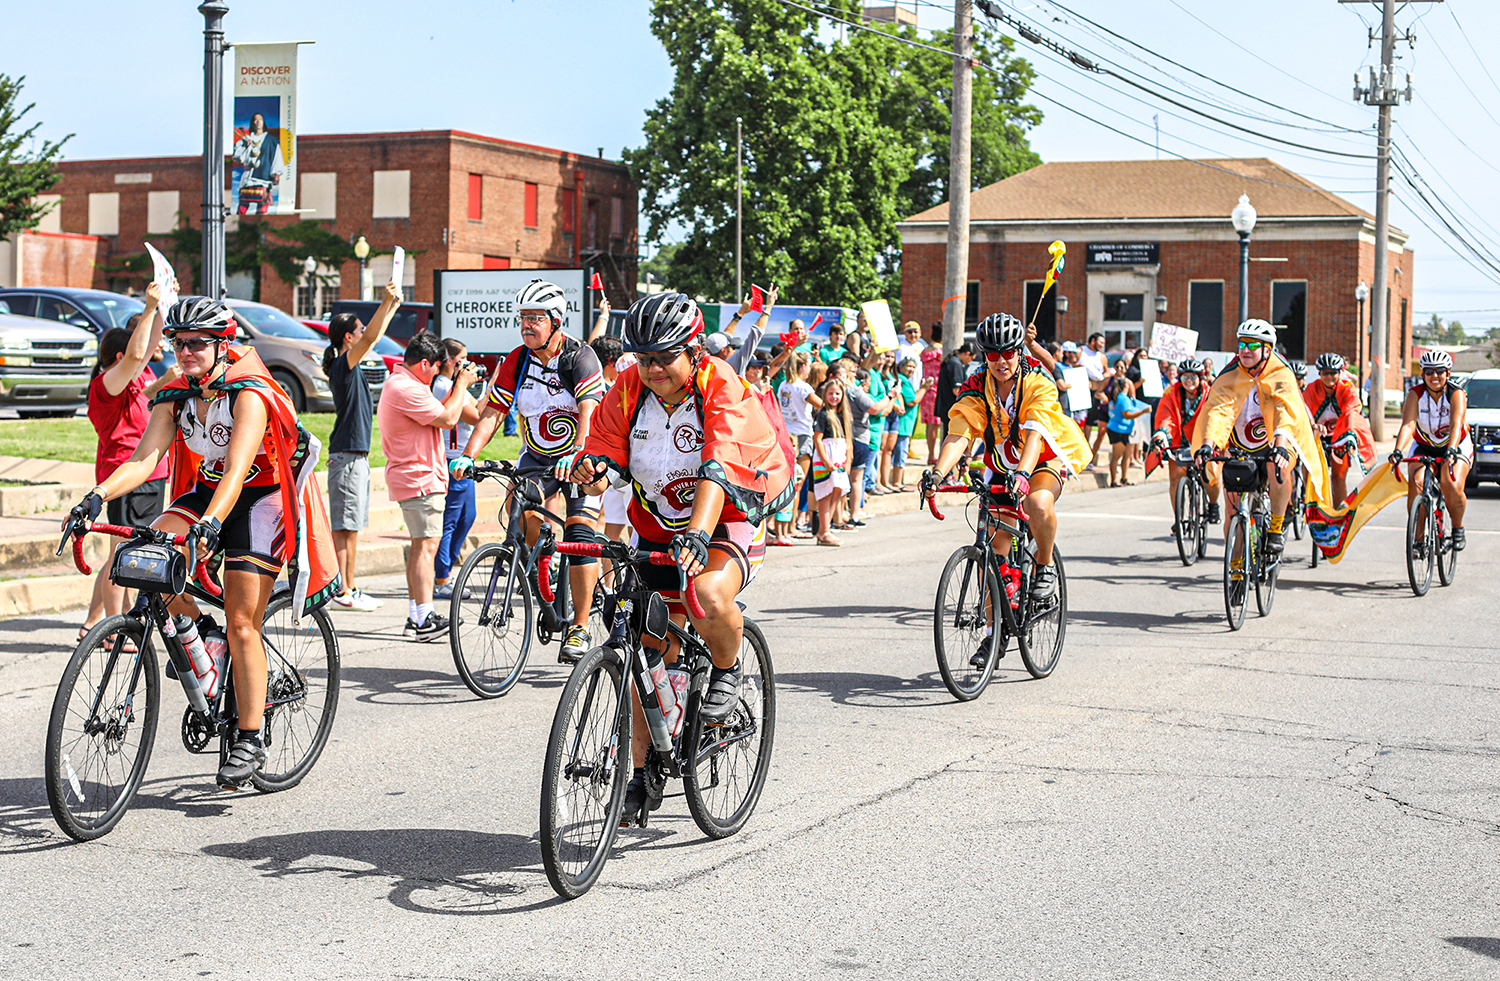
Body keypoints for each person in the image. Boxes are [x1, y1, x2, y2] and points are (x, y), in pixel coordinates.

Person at [67, 296, 339, 789]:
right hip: (208, 489)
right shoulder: (175, 393)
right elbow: (143, 459)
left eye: (196, 343)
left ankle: (250, 737)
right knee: (151, 563)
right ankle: (201, 638)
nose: (184, 352)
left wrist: (212, 524)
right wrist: (96, 497)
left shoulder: (248, 392)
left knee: (242, 622)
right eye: (177, 342)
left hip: (260, 499)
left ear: (222, 345)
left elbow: (238, 469)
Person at [570, 291, 793, 821]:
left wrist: (697, 533)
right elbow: (602, 442)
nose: (652, 369)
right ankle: (644, 772)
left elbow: (719, 462)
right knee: (645, 653)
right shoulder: (629, 386)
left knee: (706, 593)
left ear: (693, 351)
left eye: (663, 357)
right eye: (643, 358)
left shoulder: (723, 385)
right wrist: (592, 469)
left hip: (727, 519)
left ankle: (727, 667)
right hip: (657, 528)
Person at [452, 279, 606, 661]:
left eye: (535, 317)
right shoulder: (517, 360)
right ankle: (544, 563)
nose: (527, 325)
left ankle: (580, 627)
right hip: (537, 458)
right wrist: (468, 454)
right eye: (522, 317)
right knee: (518, 514)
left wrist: (580, 455)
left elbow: (588, 414)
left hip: (581, 456)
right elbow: (491, 414)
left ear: (555, 320)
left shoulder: (580, 356)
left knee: (581, 532)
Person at [921, 312, 1091, 607]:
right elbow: (960, 434)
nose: (1001, 361)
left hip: (1040, 459)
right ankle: (991, 637)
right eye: (993, 355)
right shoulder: (975, 385)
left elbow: (1036, 433)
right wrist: (937, 474)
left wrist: (1023, 475)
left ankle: (1045, 565)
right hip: (1001, 465)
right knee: (991, 556)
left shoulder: (1038, 379)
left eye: (1009, 353)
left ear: (1019, 351)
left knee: (1037, 503)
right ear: (984, 356)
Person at [81, 282, 174, 637]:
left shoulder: (131, 382)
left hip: (149, 474)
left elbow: (146, 350)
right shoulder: (106, 386)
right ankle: (115, 628)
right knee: (122, 556)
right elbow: (137, 355)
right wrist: (148, 307)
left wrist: (163, 304)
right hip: (124, 475)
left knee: (132, 553)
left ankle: (109, 624)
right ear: (118, 359)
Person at [1192, 320, 1330, 556]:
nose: (1245, 349)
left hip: (1276, 443)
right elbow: (1218, 410)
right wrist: (1207, 445)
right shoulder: (1229, 375)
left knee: (1279, 468)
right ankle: (1235, 567)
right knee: (1233, 511)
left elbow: (1284, 412)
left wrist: (1281, 446)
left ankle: (1276, 526)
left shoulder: (1281, 374)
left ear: (1267, 349)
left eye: (1252, 344)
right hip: (1239, 445)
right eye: (1241, 343)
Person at [378, 332, 480, 641]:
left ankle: (417, 615)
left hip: (417, 477)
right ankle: (423, 619)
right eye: (437, 367)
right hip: (419, 478)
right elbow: (449, 418)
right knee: (425, 548)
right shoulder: (407, 388)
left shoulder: (402, 384)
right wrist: (461, 384)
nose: (438, 373)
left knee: (422, 548)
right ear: (425, 363)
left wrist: (463, 385)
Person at [324, 281, 403, 612]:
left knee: (349, 528)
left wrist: (393, 306)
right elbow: (371, 336)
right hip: (347, 458)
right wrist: (383, 301)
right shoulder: (344, 365)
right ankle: (347, 588)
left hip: (350, 458)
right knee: (347, 529)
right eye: (358, 331)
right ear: (348, 338)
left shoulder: (347, 364)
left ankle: (346, 587)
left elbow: (372, 334)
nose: (364, 335)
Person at [1389, 349, 1470, 551]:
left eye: (1439, 371)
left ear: (1447, 373)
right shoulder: (1415, 394)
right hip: (1424, 445)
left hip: (1455, 444)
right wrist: (1398, 451)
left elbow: (1455, 424)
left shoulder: (1456, 393)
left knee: (1449, 483)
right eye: (1429, 371)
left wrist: (1451, 450)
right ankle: (1418, 540)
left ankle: (1458, 529)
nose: (1434, 376)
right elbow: (1408, 425)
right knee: (1416, 483)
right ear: (1423, 374)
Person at [432, 339, 484, 600]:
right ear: (450, 360)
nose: (467, 363)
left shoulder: (458, 385)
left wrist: (495, 388)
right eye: (462, 358)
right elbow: (474, 417)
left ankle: (445, 572)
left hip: (464, 459)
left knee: (467, 516)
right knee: (451, 522)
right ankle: (442, 578)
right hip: (452, 459)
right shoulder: (444, 385)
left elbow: (479, 410)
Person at [1150, 357, 1220, 524]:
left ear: (1200, 377)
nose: (1189, 381)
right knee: (1175, 478)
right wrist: (1160, 436)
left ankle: (1213, 504)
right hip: (1180, 442)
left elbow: (1215, 418)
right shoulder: (1170, 393)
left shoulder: (1210, 393)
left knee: (1210, 475)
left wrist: (1209, 442)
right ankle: (1179, 519)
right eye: (1185, 377)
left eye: (1193, 377)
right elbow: (1166, 418)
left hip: (1204, 440)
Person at [1303, 352, 1375, 506]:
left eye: (1333, 373)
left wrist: (1348, 438)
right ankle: (1307, 501)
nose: (1329, 377)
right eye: (1325, 373)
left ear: (1340, 372)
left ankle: (1339, 515)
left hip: (1341, 436)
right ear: (1320, 373)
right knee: (1310, 471)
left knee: (1338, 477)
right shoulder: (1311, 388)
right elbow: (1304, 412)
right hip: (1317, 436)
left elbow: (1351, 413)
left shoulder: (1348, 389)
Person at [777, 352, 821, 537]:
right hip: (802, 435)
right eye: (809, 366)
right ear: (803, 367)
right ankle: (792, 526)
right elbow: (822, 404)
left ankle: (785, 525)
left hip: (786, 433)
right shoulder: (803, 388)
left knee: (788, 482)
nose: (809, 369)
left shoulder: (783, 385)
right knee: (798, 484)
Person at [811, 378, 853, 545]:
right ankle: (825, 530)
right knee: (825, 494)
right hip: (826, 458)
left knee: (838, 491)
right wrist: (825, 459)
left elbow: (848, 441)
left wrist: (849, 459)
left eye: (837, 393)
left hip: (840, 459)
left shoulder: (843, 416)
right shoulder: (823, 414)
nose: (834, 396)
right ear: (824, 394)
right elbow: (818, 439)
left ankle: (823, 530)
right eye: (830, 393)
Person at [232, 112, 285, 215]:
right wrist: (247, 147)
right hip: (248, 178)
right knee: (243, 204)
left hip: (263, 177)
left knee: (262, 203)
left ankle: (260, 224)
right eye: (255, 120)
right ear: (252, 123)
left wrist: (276, 174)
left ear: (263, 122)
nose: (257, 122)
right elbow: (238, 158)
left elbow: (276, 157)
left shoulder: (272, 141)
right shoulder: (245, 140)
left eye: (260, 119)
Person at [891, 356, 931, 492]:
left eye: (913, 367)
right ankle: (897, 482)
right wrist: (925, 388)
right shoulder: (902, 380)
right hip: (902, 425)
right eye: (908, 366)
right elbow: (913, 401)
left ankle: (897, 482)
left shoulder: (906, 381)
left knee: (900, 454)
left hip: (905, 426)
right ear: (900, 367)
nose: (911, 369)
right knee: (900, 455)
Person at [1106, 373, 1151, 488]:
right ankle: (1114, 480)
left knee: (1127, 455)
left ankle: (1124, 478)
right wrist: (1143, 412)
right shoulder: (1122, 398)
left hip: (1123, 430)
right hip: (1119, 430)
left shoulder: (1120, 397)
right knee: (1116, 456)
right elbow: (1127, 414)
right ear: (1126, 385)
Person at [1079, 332, 1110, 469]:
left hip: (1096, 394)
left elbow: (1106, 372)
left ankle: (1090, 455)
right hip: (1083, 392)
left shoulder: (1102, 357)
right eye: (1100, 342)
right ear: (1093, 341)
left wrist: (1102, 383)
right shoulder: (1081, 352)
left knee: (1092, 424)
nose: (1102, 345)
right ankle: (1083, 454)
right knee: (1082, 424)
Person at [920, 324, 945, 465]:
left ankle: (931, 453)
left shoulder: (926, 349)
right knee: (936, 424)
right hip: (937, 389)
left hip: (926, 388)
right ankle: (934, 455)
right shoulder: (941, 351)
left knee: (930, 424)